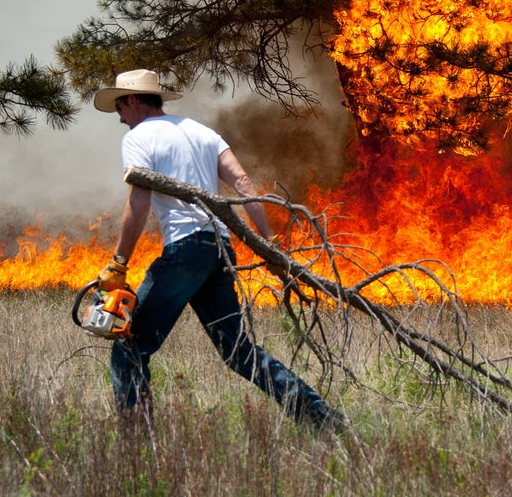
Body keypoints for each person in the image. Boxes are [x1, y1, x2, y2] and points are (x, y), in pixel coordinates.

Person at [92, 68, 345, 431]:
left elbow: (139, 201)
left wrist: (119, 263)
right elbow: (243, 183)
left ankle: (135, 446)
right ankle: (323, 420)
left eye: (120, 105)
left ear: (133, 100)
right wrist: (269, 243)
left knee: (129, 347)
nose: (119, 116)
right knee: (239, 352)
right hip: (219, 248)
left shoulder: (139, 136)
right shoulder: (202, 132)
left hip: (185, 250)